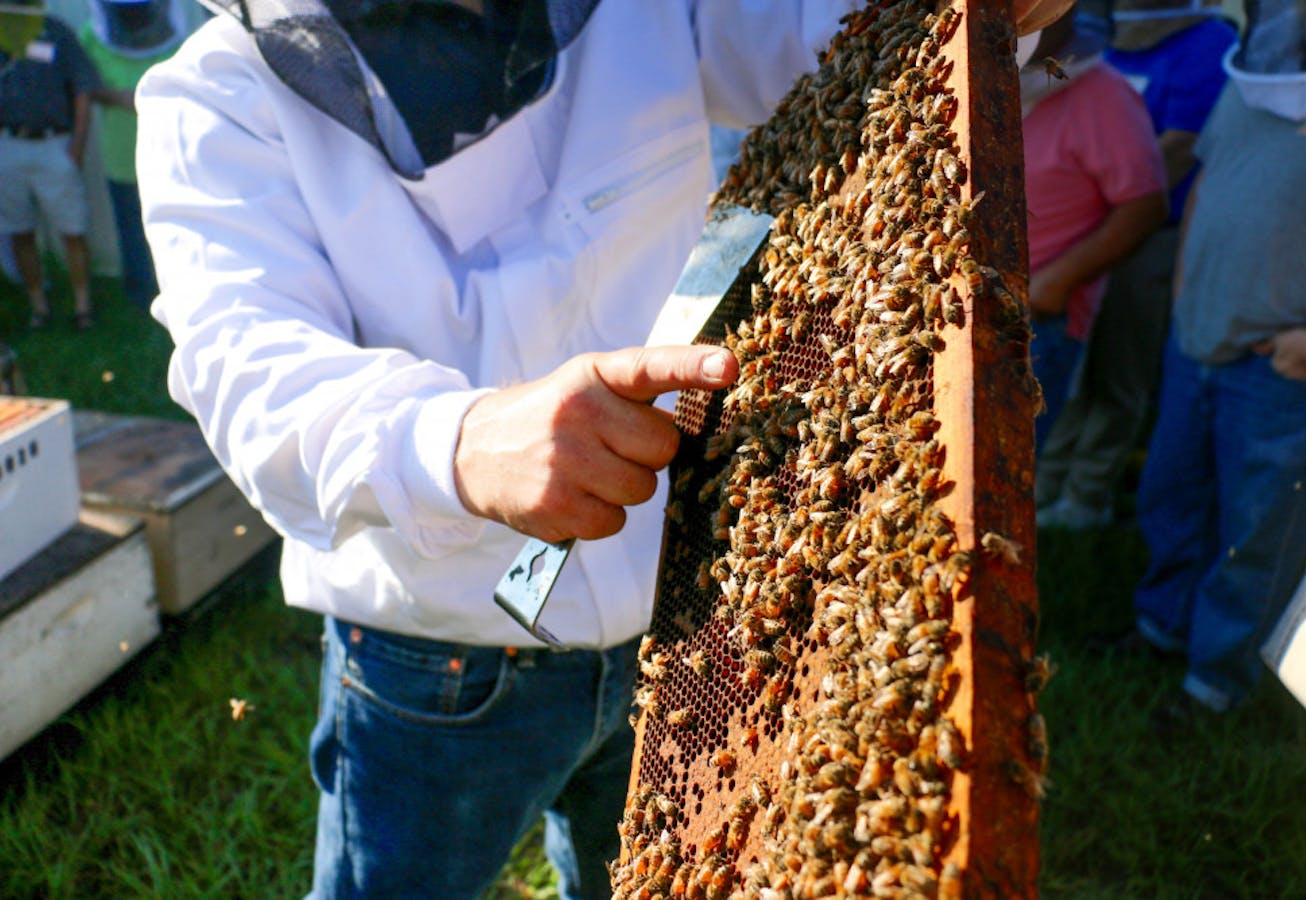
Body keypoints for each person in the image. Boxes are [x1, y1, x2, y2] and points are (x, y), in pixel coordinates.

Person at [134, 0, 1071, 895]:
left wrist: (983, 12)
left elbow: (835, 34)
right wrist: (456, 440)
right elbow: (246, 369)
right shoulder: (214, 99)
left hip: (694, 601)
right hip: (445, 657)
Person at [1128, 0, 1306, 728]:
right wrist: (1188, 290)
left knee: (1256, 530)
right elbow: (1210, 184)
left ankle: (1216, 682)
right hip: (1199, 338)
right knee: (1170, 496)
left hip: (1284, 365)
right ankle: (1160, 628)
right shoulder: (1249, 79)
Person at [1034, 0, 1236, 529]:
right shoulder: (1107, 46)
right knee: (1079, 376)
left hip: (1148, 237)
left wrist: (1104, 219)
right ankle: (1050, 485)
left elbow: (1174, 152)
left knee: (1118, 372)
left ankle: (1087, 495)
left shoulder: (1206, 44)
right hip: (1088, 241)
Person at [1019, 5, 1169, 452]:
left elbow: (1144, 206)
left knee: (1005, 459)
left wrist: (1057, 280)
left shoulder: (1105, 95)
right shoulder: (988, 83)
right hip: (957, 296)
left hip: (1035, 315)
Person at [78, 0, 189, 308]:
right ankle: (142, 296)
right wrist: (118, 96)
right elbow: (84, 85)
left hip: (171, 154)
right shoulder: (92, 34)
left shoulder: (175, 32)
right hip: (122, 155)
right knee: (131, 228)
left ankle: (181, 293)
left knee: (178, 226)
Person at [0, 1, 100, 331]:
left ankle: (83, 305)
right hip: (10, 145)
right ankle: (38, 306)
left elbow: (83, 87)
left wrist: (77, 146)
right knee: (19, 231)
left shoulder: (57, 32)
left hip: (55, 144)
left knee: (72, 230)